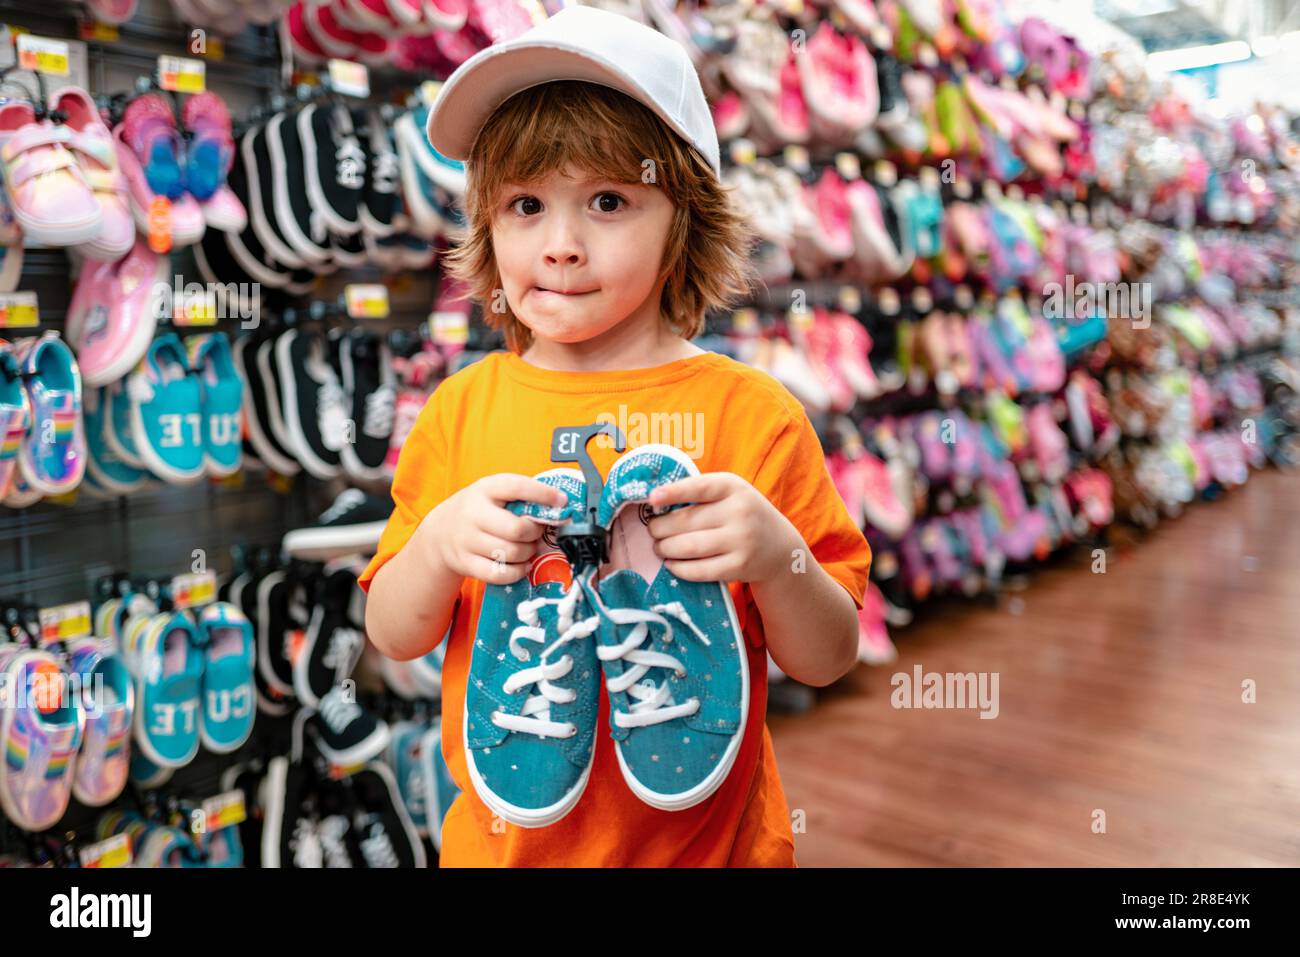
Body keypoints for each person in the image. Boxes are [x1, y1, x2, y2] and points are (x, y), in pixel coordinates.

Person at [360, 4, 870, 866]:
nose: (559, 246)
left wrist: (775, 552)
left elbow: (828, 656)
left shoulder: (751, 416)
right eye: (525, 204)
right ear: (486, 222)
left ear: (685, 223)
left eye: (607, 200)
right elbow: (393, 629)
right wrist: (442, 546)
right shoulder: (460, 410)